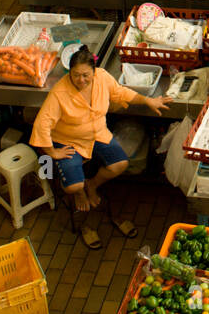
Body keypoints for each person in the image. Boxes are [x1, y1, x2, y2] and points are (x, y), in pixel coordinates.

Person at [30, 47, 170, 251]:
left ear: (94, 72)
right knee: (72, 187)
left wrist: (148, 100)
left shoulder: (103, 78)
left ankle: (92, 185)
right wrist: (52, 152)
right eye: (76, 75)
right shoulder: (59, 93)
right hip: (69, 141)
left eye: (85, 75)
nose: (81, 80)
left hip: (98, 135)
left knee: (120, 164)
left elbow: (121, 92)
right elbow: (41, 124)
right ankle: (80, 193)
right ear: (70, 73)